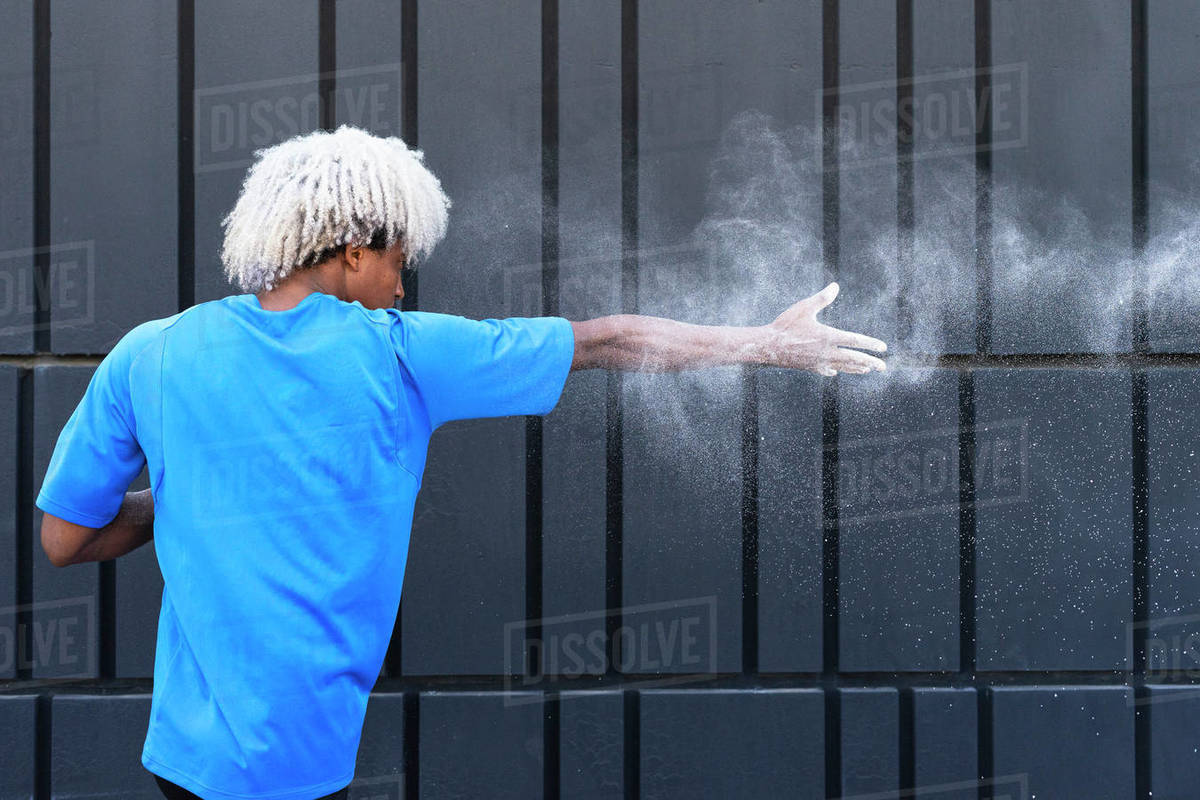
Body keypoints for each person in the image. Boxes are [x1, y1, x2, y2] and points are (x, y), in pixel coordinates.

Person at [34, 125, 886, 800]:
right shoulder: (403, 355)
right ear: (353, 248)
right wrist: (768, 344)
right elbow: (609, 341)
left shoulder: (150, 355)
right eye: (401, 262)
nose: (403, 288)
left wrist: (183, 499)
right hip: (300, 769)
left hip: (183, 763)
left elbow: (65, 538)